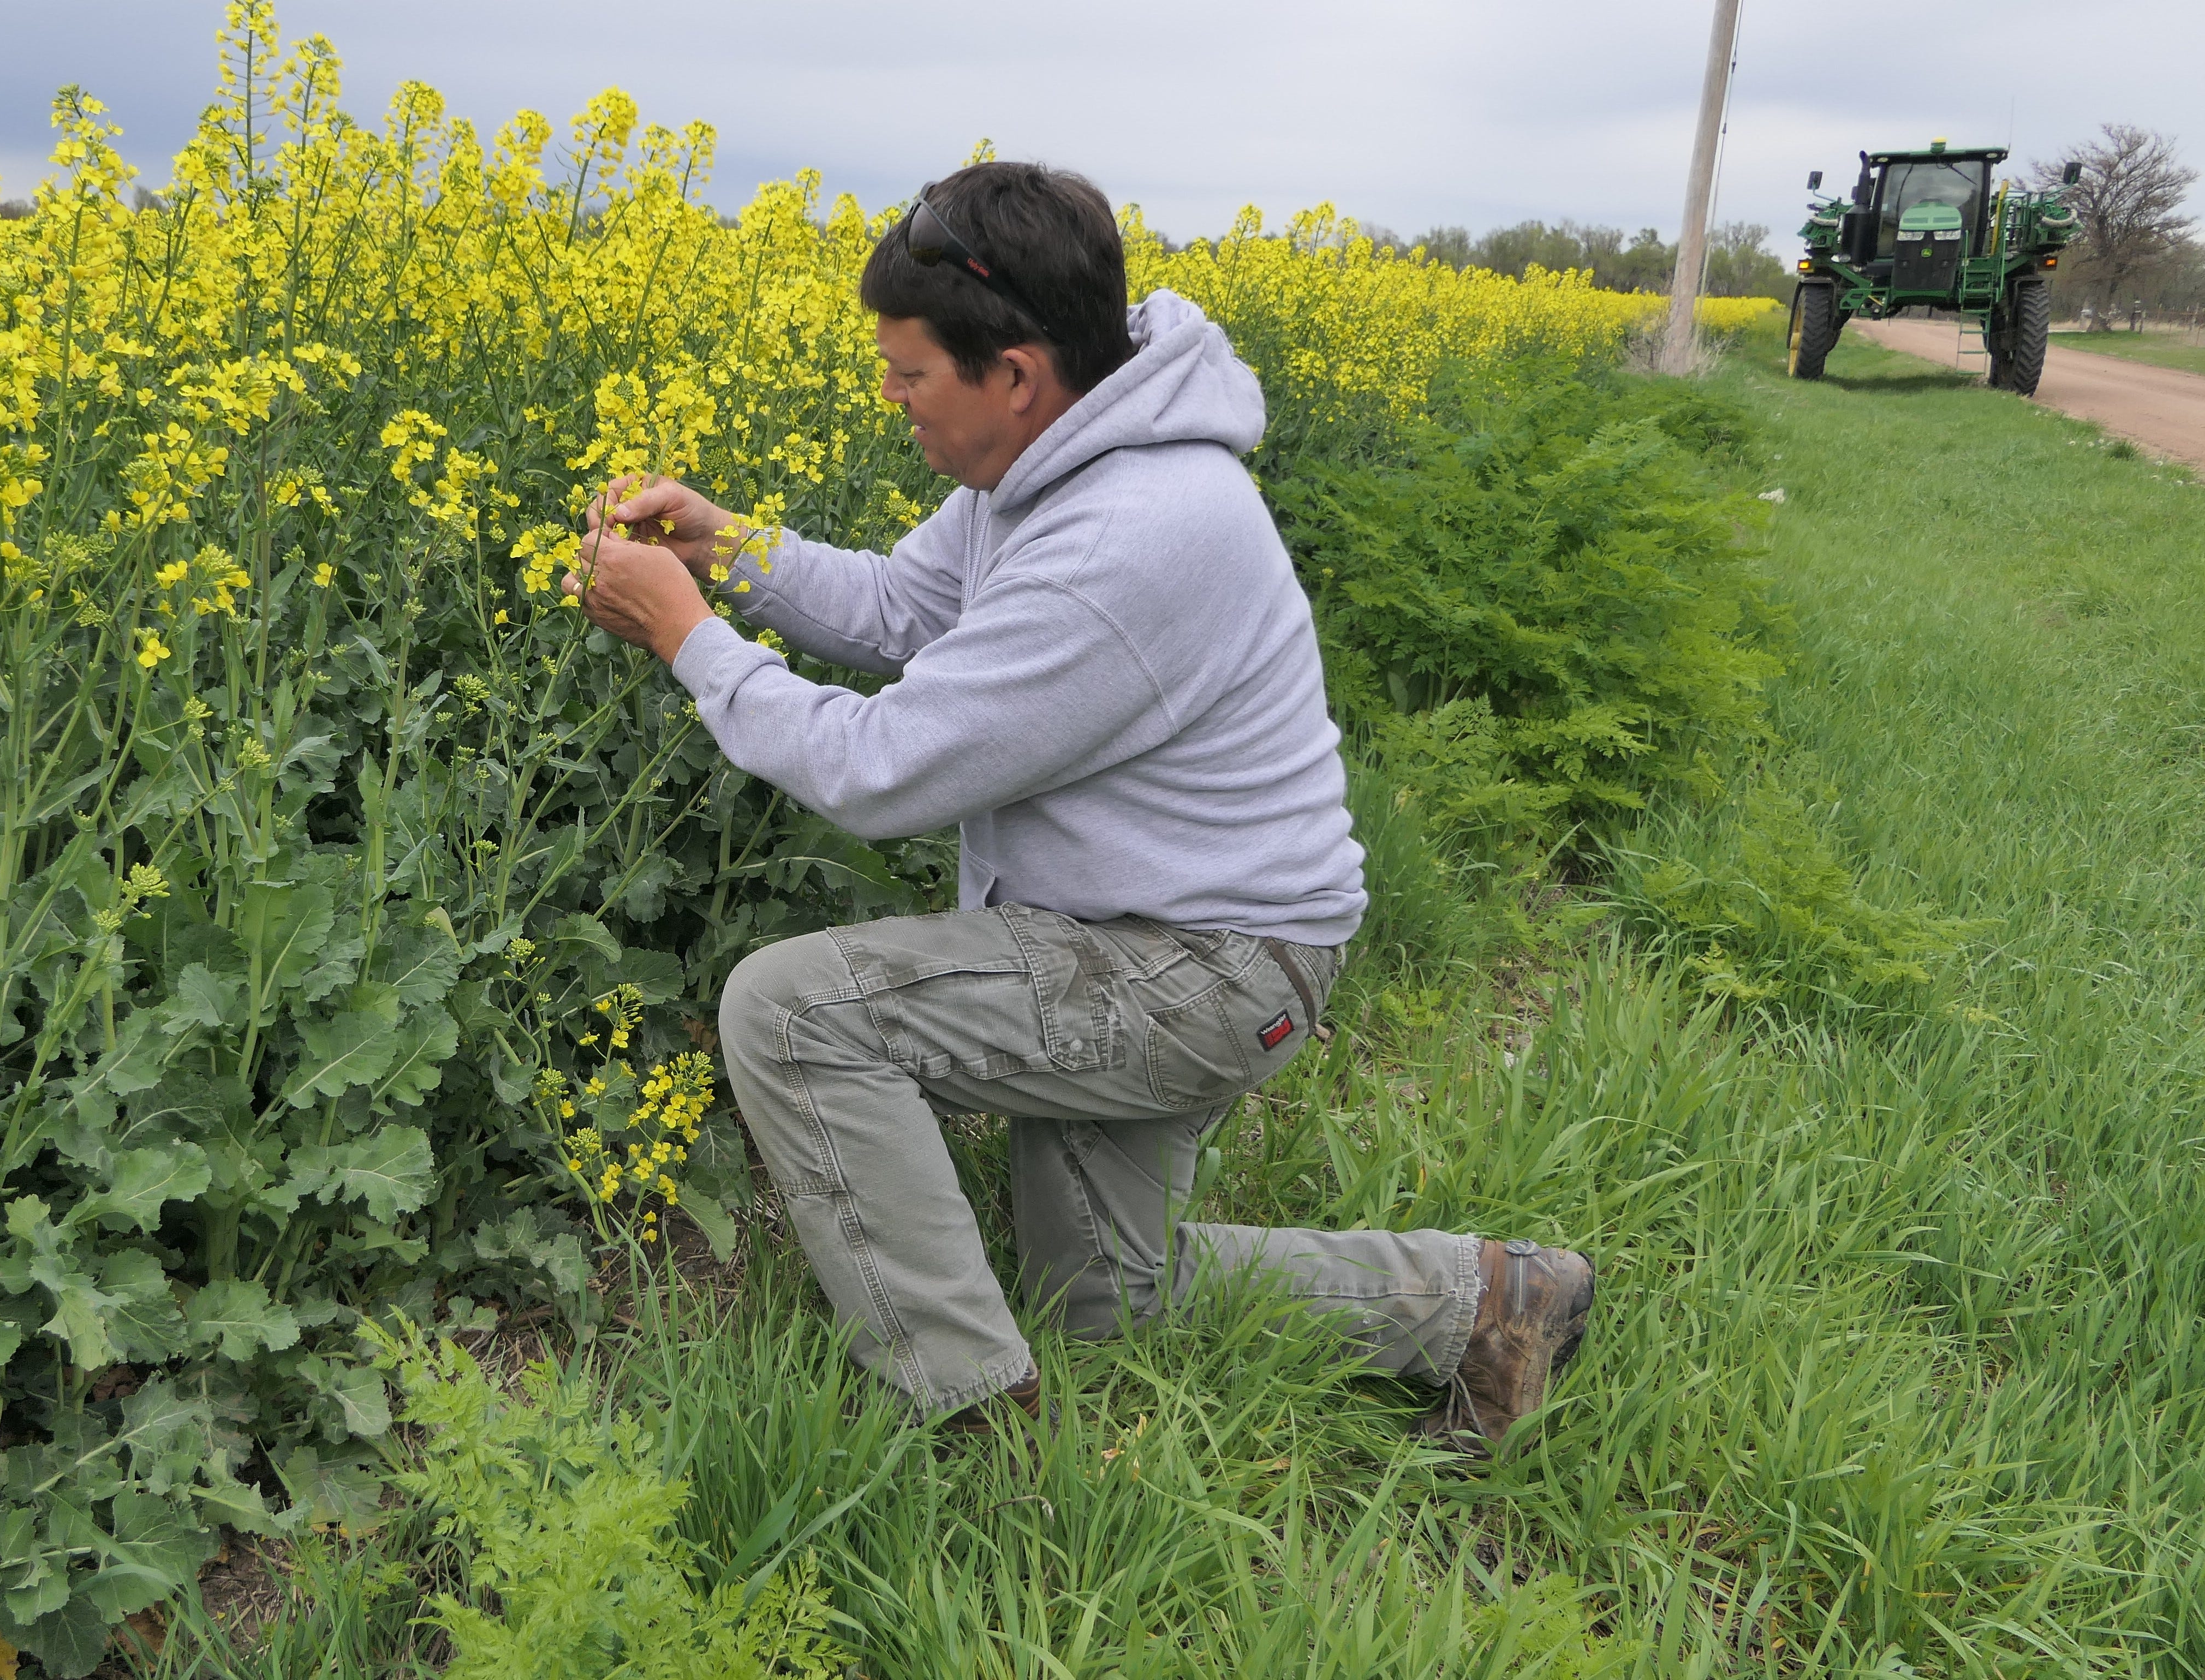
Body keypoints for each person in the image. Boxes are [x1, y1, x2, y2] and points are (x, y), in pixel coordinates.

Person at [562, 161, 1592, 1452]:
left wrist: (687, 637)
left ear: (1014, 374)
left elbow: (880, 772)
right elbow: (901, 607)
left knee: (791, 1010)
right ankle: (1491, 1301)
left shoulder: (1132, 534)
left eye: (909, 374)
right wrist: (735, 553)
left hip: (1200, 965)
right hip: (1171, 935)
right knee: (1099, 1293)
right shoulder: (1061, 453)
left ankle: (969, 1416)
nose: (889, 400)